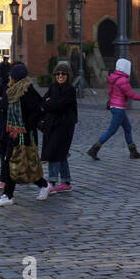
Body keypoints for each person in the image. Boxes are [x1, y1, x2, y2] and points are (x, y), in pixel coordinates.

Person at [0, 62, 51, 205]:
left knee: (23, 163)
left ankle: (41, 185)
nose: (9, 78)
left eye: (12, 76)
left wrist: (24, 127)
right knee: (12, 162)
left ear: (16, 77)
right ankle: (9, 195)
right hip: (11, 132)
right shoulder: (11, 90)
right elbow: (1, 106)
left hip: (24, 134)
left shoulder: (27, 91)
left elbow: (36, 111)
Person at [86, 58, 140, 160]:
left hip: (114, 107)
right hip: (119, 108)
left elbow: (110, 92)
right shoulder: (123, 80)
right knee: (111, 131)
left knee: (127, 128)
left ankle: (133, 152)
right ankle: (93, 150)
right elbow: (131, 95)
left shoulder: (114, 78)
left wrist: (112, 101)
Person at [41, 60, 78, 193]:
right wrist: (49, 103)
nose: (60, 76)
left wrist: (50, 103)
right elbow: (43, 101)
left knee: (54, 153)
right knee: (61, 153)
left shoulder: (70, 90)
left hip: (65, 126)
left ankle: (51, 182)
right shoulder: (53, 87)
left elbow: (59, 106)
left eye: (63, 74)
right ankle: (66, 182)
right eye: (57, 73)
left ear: (68, 75)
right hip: (52, 125)